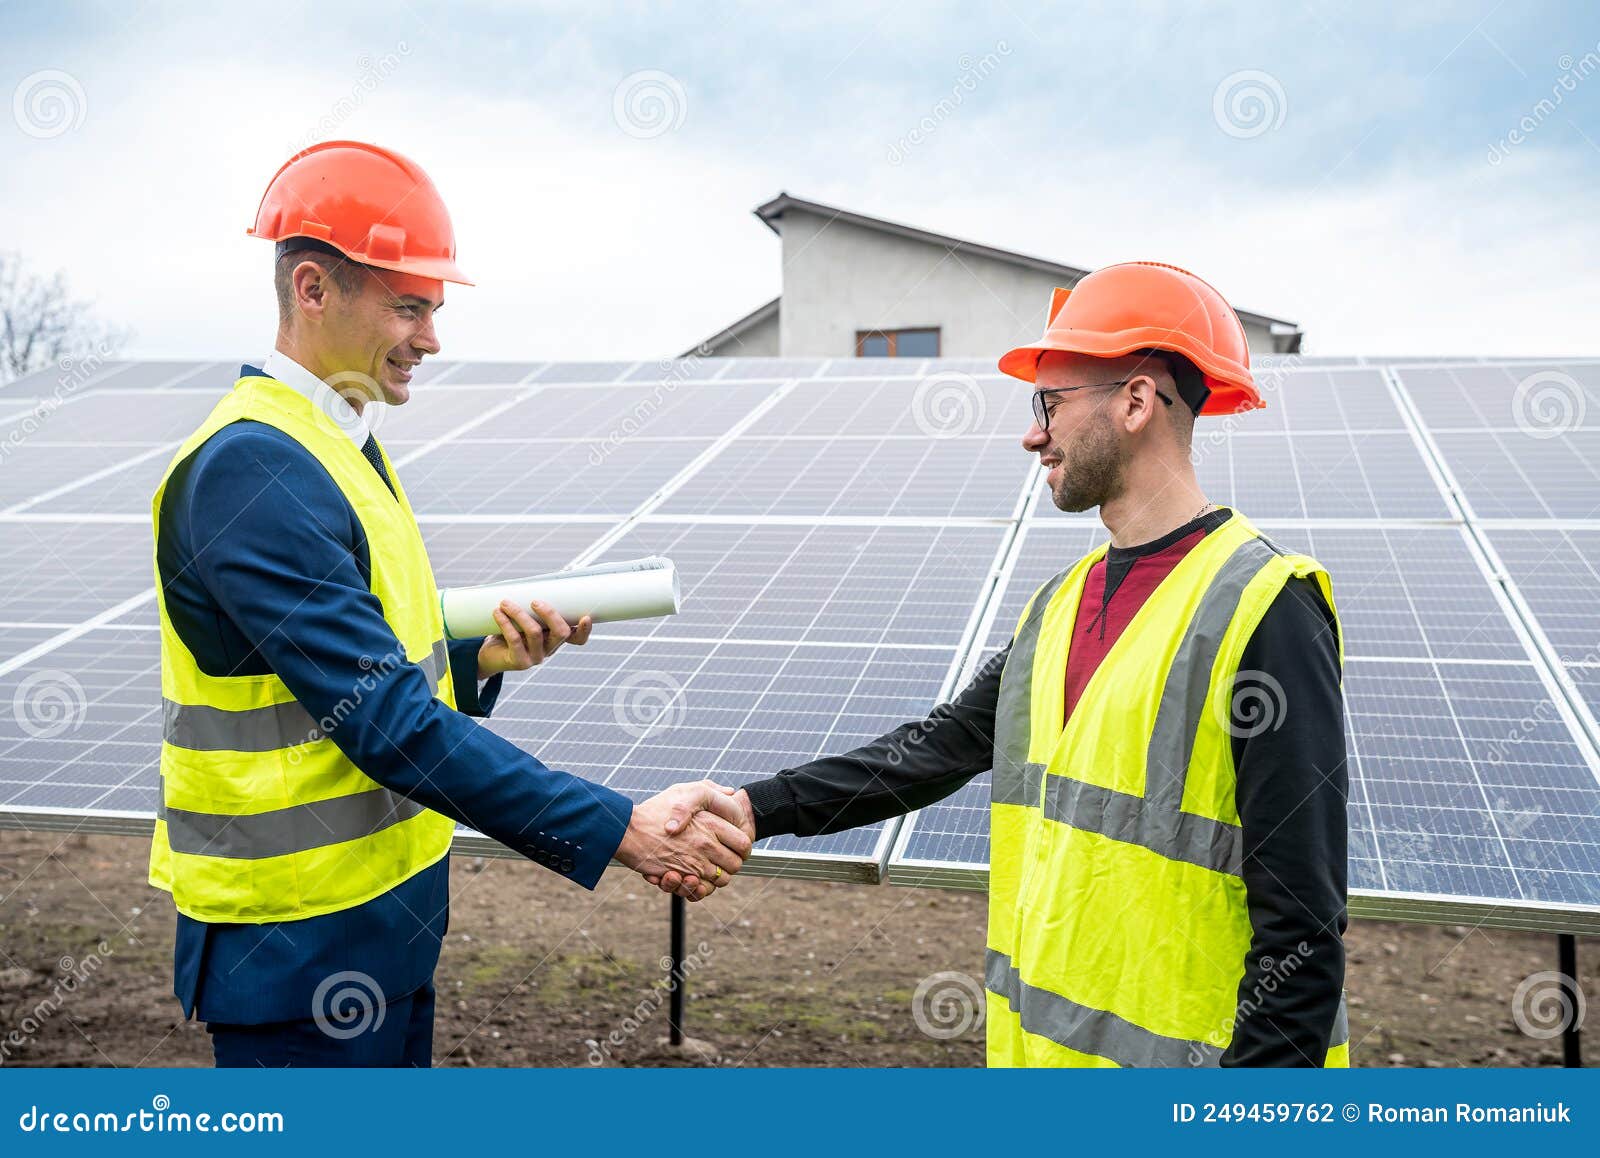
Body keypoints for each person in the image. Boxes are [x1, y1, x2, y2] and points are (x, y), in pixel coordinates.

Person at [649, 263, 1352, 1067]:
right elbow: (937, 749)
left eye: (1049, 404)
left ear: (1134, 400)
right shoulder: (1059, 604)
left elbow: (1304, 927)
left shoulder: (1266, 605)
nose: (1032, 434)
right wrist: (756, 808)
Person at [148, 141, 751, 1067]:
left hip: (381, 928)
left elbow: (368, 661)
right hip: (297, 950)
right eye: (409, 305)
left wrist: (478, 656)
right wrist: (616, 826)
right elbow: (382, 721)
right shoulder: (252, 467)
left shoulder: (340, 447)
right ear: (312, 289)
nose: (432, 337)